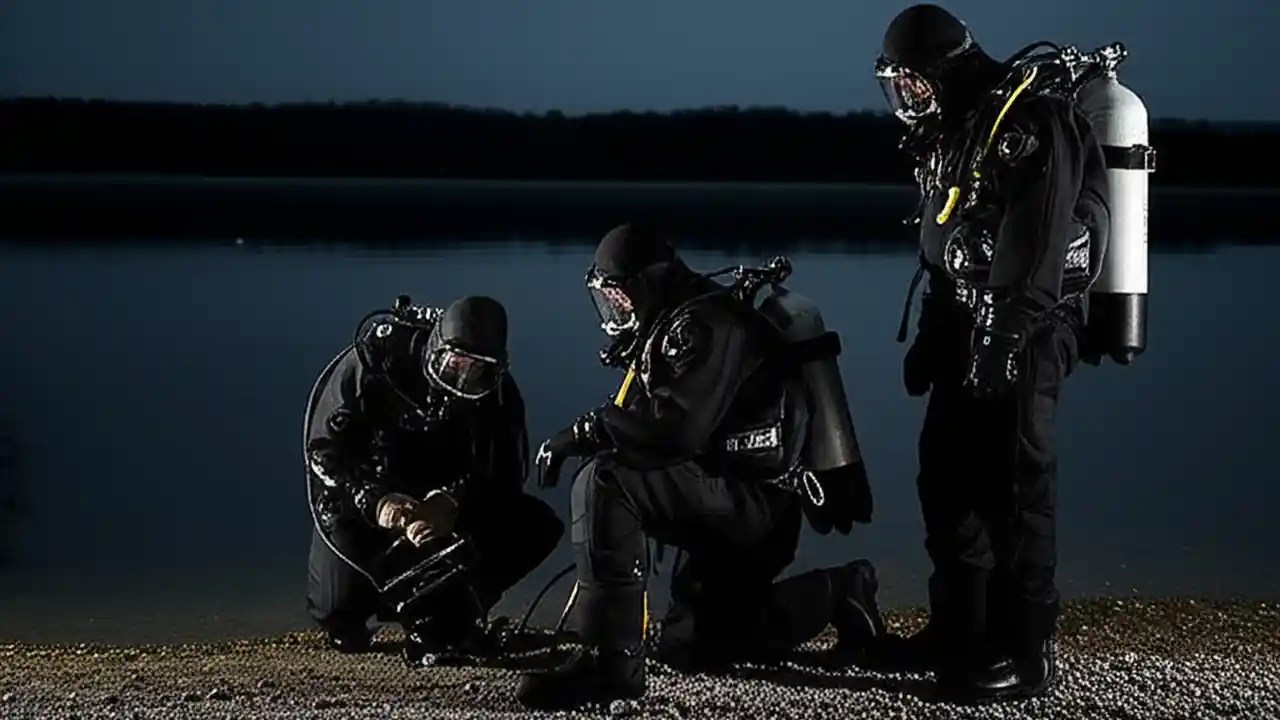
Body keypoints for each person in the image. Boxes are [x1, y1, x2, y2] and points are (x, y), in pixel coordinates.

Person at [514, 224, 883, 711]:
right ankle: (840, 590)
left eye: (620, 293)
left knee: (605, 481)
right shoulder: (680, 318)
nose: (617, 307)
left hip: (752, 506)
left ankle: (610, 668)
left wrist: (584, 433)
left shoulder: (706, 325)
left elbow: (675, 430)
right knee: (693, 647)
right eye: (608, 297)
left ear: (648, 280)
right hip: (741, 505)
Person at [874, 4, 1112, 703]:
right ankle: (960, 631)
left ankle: (1027, 651)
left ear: (943, 72)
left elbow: (1034, 247)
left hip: (1032, 326)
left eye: (912, 84)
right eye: (897, 88)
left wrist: (1004, 340)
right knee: (946, 477)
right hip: (966, 323)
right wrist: (931, 340)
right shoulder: (958, 130)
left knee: (1015, 482)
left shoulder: (1029, 125)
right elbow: (948, 249)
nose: (906, 101)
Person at [303, 294, 564, 665]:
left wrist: (452, 503)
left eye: (480, 373)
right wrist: (374, 500)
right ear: (434, 349)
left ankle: (456, 608)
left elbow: (507, 477)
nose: (462, 382)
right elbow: (324, 453)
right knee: (339, 618)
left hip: (443, 509)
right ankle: (361, 607)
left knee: (537, 525)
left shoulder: (499, 396)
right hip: (368, 501)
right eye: (454, 366)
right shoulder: (375, 364)